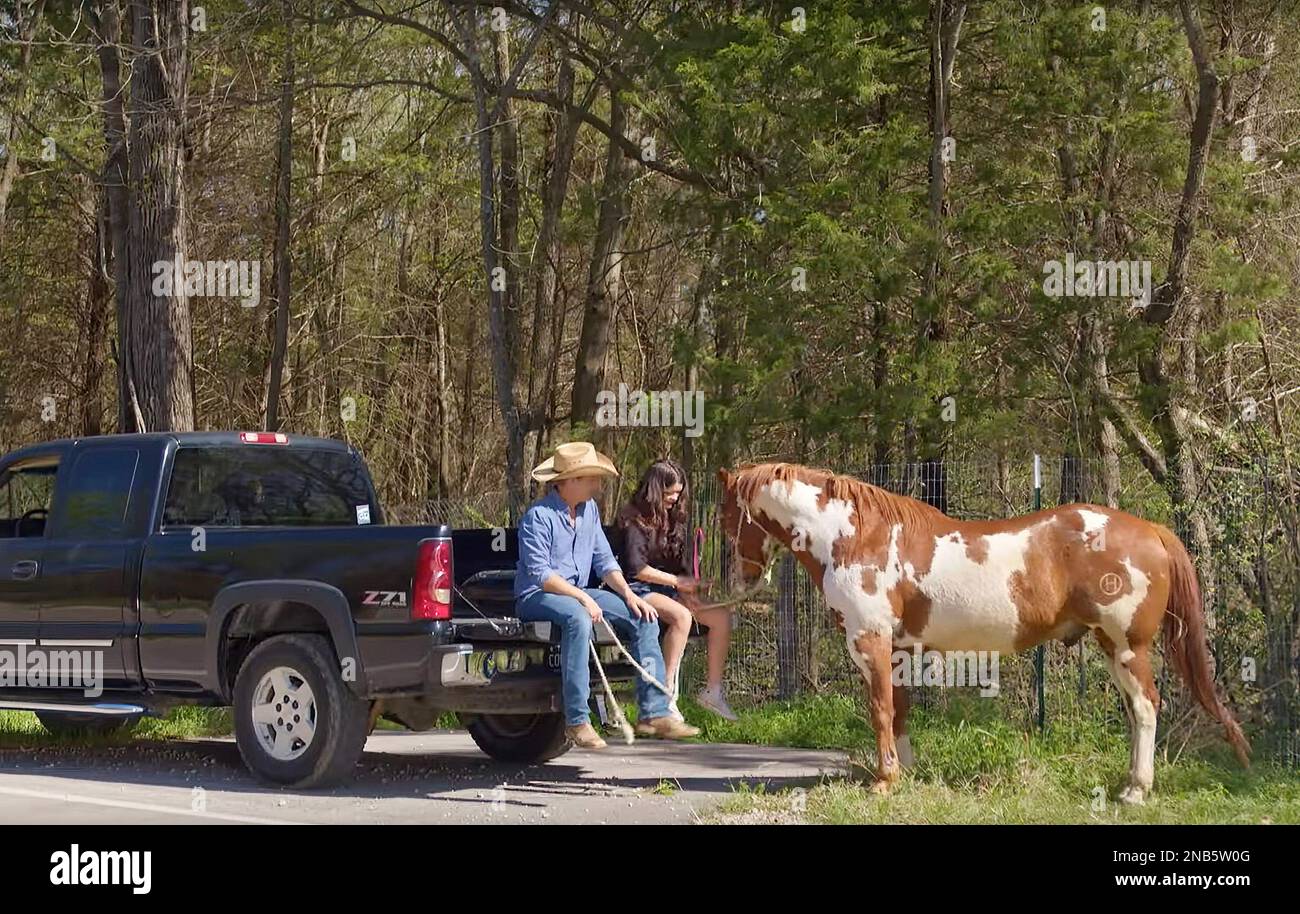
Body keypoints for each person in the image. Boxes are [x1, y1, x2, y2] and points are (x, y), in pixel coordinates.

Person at [514, 441, 700, 749]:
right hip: (538, 595)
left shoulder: (589, 512)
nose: (599, 486)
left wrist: (630, 595)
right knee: (577, 619)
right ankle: (577, 720)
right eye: (593, 479)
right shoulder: (539, 516)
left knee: (644, 617)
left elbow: (605, 562)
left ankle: (653, 712)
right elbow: (541, 575)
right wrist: (583, 598)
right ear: (571, 480)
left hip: (578, 592)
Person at [617, 458, 738, 721]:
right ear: (655, 489)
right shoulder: (632, 519)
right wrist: (677, 584)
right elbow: (637, 569)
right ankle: (666, 695)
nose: (674, 498)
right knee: (681, 617)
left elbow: (681, 567)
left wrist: (689, 591)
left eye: (678, 493)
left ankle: (713, 692)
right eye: (670, 492)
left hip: (670, 590)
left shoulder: (675, 520)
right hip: (636, 590)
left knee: (720, 617)